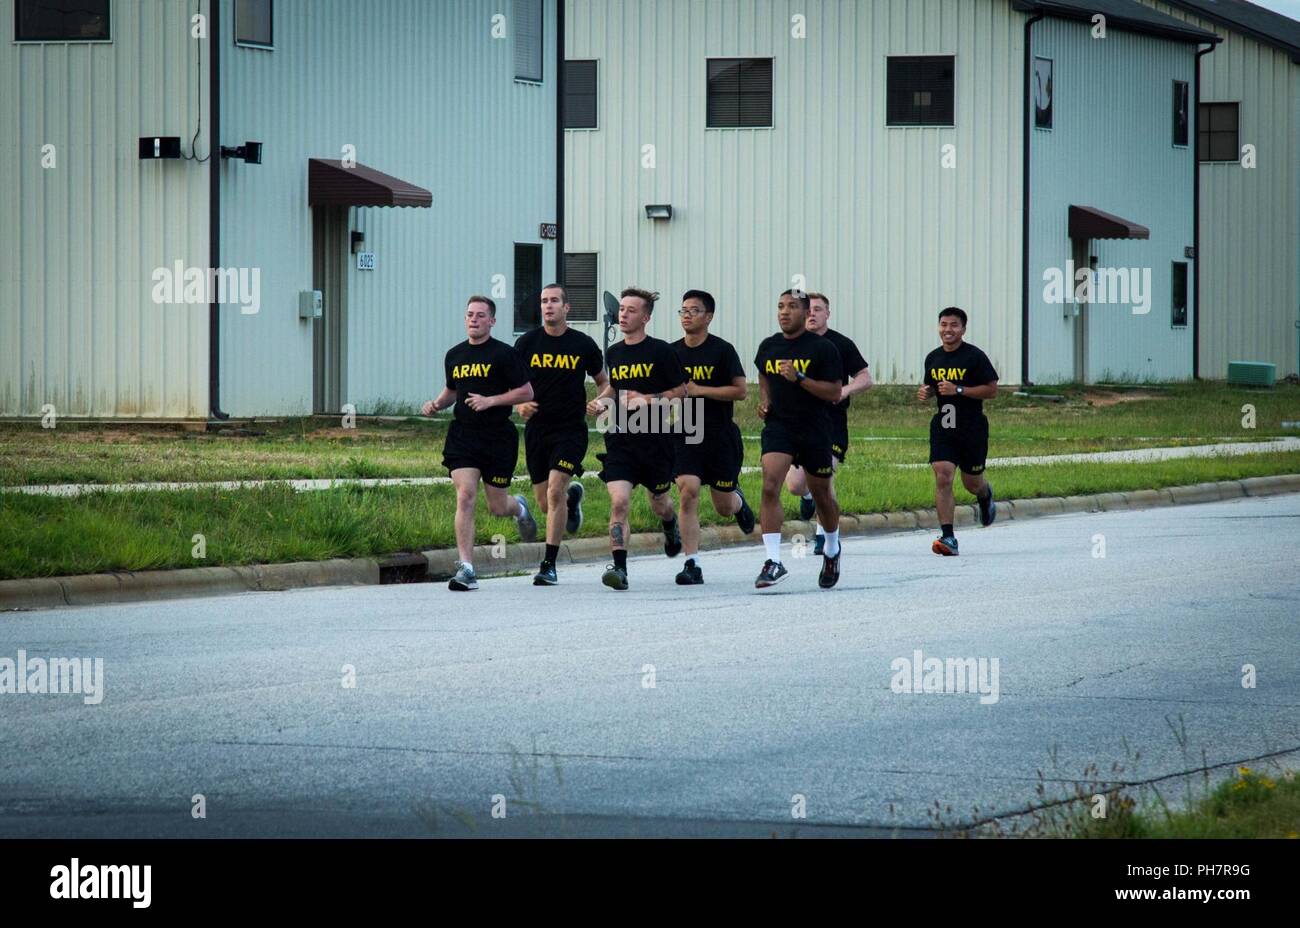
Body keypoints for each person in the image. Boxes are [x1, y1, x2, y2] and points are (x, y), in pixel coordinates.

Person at [422, 295, 538, 591]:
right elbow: (452, 390)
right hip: (463, 435)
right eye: (470, 315)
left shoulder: (504, 355)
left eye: (480, 315)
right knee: (465, 496)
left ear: (492, 321)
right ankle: (466, 567)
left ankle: (520, 508)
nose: (473, 319)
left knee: (498, 506)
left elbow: (525, 392)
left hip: (498, 436)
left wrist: (492, 401)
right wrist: (436, 404)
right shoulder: (454, 355)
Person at [591, 288, 688, 591]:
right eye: (621, 309)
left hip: (655, 441)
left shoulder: (661, 352)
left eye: (631, 310)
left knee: (660, 502)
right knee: (619, 502)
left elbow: (680, 391)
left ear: (645, 317)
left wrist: (649, 399)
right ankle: (619, 569)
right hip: (620, 439)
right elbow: (615, 386)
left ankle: (671, 527)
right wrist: (600, 401)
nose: (624, 314)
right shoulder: (615, 352)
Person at [514, 284, 608, 585]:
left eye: (554, 300)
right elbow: (512, 386)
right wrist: (520, 403)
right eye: (543, 301)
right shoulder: (527, 343)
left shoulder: (582, 344)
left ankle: (549, 564)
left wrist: (600, 400)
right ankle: (573, 500)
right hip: (537, 430)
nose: (548, 306)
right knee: (545, 502)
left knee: (554, 491)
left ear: (566, 308)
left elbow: (604, 382)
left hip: (570, 429)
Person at [752, 290, 844, 590]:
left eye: (792, 307)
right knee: (769, 484)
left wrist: (801, 378)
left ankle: (831, 548)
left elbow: (833, 393)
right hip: (779, 426)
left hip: (815, 428)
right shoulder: (769, 346)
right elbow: (763, 375)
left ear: (806, 314)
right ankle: (773, 561)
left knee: (822, 496)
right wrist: (765, 400)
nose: (784, 312)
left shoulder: (823, 348)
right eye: (780, 306)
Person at [670, 289, 755, 585]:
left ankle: (739, 503)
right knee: (688, 490)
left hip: (720, 436)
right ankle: (692, 564)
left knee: (723, 507)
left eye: (694, 310)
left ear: (709, 317)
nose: (687, 316)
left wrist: (700, 390)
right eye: (683, 310)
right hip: (686, 433)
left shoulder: (722, 350)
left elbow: (741, 391)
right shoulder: (672, 353)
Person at [784, 292, 871, 554]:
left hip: (831, 422)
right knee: (796, 486)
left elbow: (865, 378)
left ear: (827, 314)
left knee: (825, 475)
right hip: (798, 422)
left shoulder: (840, 344)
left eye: (817, 310)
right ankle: (810, 496)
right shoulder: (791, 343)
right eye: (807, 309)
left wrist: (843, 391)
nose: (811, 314)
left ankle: (825, 535)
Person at [916, 306, 999, 556]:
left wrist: (960, 390)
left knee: (972, 483)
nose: (947, 330)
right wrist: (926, 392)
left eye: (953, 325)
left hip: (971, 427)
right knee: (943, 476)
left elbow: (992, 389)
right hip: (943, 424)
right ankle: (948, 537)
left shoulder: (974, 357)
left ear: (963, 329)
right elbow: (932, 385)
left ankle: (985, 495)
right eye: (943, 324)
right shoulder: (933, 357)